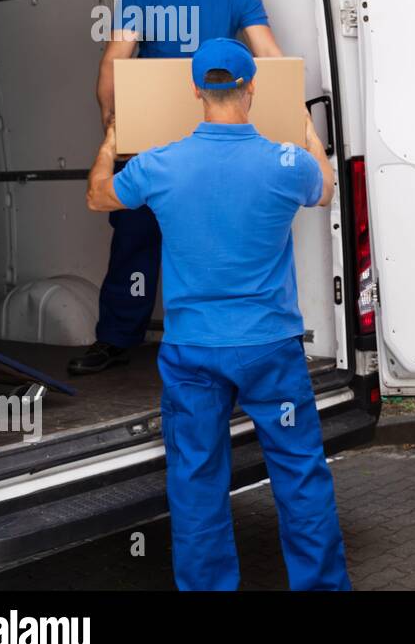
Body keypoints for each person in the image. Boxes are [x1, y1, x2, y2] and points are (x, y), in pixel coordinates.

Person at [85, 37, 349, 591]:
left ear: (196, 91)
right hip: (269, 351)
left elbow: (99, 198)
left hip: (193, 354)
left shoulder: (161, 164)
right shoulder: (287, 163)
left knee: (198, 482)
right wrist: (304, 129)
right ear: (250, 87)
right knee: (300, 476)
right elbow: (325, 189)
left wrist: (112, 142)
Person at [71, 0, 282, 375]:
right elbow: (114, 62)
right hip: (155, 141)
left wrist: (285, 114)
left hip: (217, 138)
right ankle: (117, 338)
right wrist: (112, 125)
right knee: (135, 235)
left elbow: (269, 55)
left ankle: (226, 344)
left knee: (218, 240)